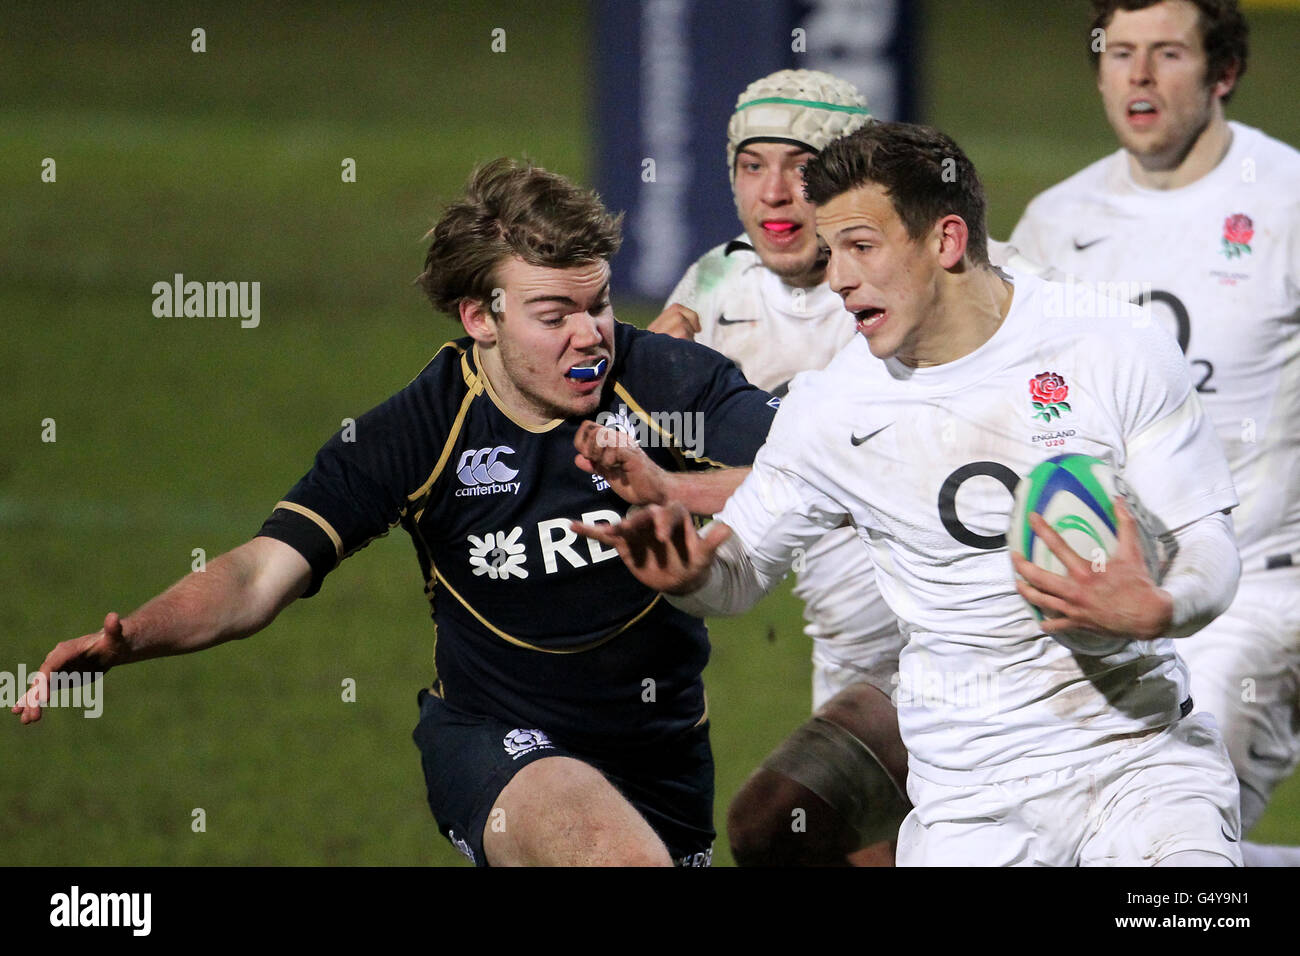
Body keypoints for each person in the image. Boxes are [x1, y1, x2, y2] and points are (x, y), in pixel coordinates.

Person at [12, 158, 780, 868]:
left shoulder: (674, 384)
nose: (591, 337)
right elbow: (255, 576)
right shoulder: (416, 433)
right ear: (481, 317)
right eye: (554, 316)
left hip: (662, 751)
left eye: (601, 304)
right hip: (498, 746)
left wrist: (676, 499)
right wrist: (133, 638)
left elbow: (820, 474)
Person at [576, 121, 1245, 865]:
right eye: (830, 253)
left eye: (861, 247)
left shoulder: (1112, 345)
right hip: (973, 801)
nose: (837, 278)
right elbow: (739, 574)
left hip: (1141, 762)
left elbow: (1207, 541)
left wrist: (1160, 608)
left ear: (946, 240)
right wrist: (691, 577)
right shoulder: (830, 408)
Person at [1010, 0, 1300, 866]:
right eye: (1119, 52)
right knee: (1059, 846)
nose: (1137, 74)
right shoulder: (1055, 225)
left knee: (1159, 851)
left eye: (1167, 54)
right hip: (1098, 598)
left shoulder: (1286, 202)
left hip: (1255, 595)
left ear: (1223, 73)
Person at [649, 68, 910, 866]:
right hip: (848, 646)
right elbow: (658, 423)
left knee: (786, 828)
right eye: (750, 165)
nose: (774, 192)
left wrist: (673, 488)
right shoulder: (717, 284)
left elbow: (833, 477)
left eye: (800, 166)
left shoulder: (892, 292)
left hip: (951, 636)